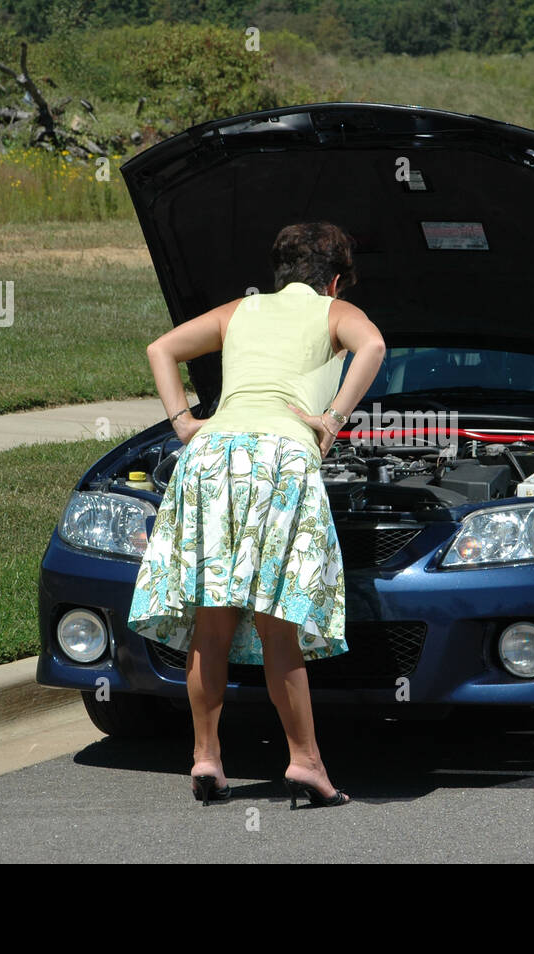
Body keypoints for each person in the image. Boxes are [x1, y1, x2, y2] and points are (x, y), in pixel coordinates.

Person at [127, 222, 386, 810]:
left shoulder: (239, 311)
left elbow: (159, 348)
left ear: (279, 274)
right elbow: (372, 346)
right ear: (335, 280)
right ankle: (305, 761)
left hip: (211, 456)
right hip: (279, 459)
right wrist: (333, 419)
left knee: (211, 623)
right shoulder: (332, 312)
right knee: (278, 623)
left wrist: (184, 423)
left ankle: (207, 757)